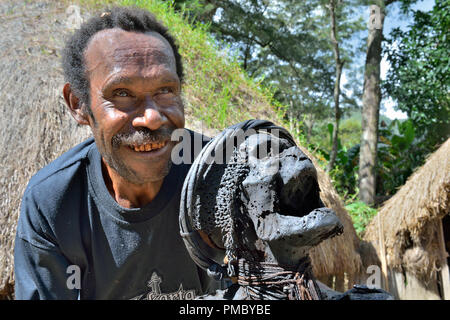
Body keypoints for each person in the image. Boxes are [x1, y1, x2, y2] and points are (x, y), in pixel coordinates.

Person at [14, 6, 219, 300]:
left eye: (165, 90)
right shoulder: (54, 203)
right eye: (122, 93)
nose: (151, 117)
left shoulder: (220, 175)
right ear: (78, 104)